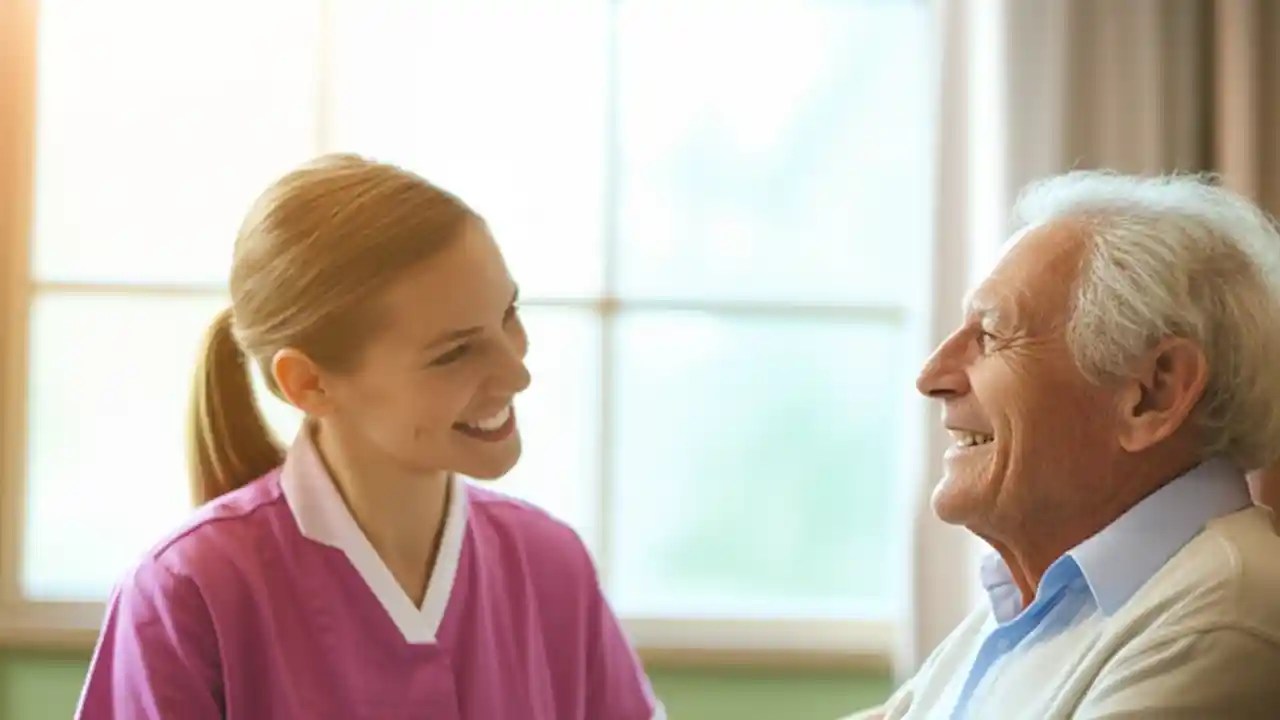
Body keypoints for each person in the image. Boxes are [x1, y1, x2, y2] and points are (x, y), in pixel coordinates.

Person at [76, 154, 663, 719]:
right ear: (308, 384)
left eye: (508, 315)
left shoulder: (550, 564)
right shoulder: (188, 592)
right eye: (455, 352)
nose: (517, 372)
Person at [851, 171, 1280, 719]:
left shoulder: (1223, 617)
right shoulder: (1042, 603)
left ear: (1153, 392)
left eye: (990, 335)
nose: (932, 375)